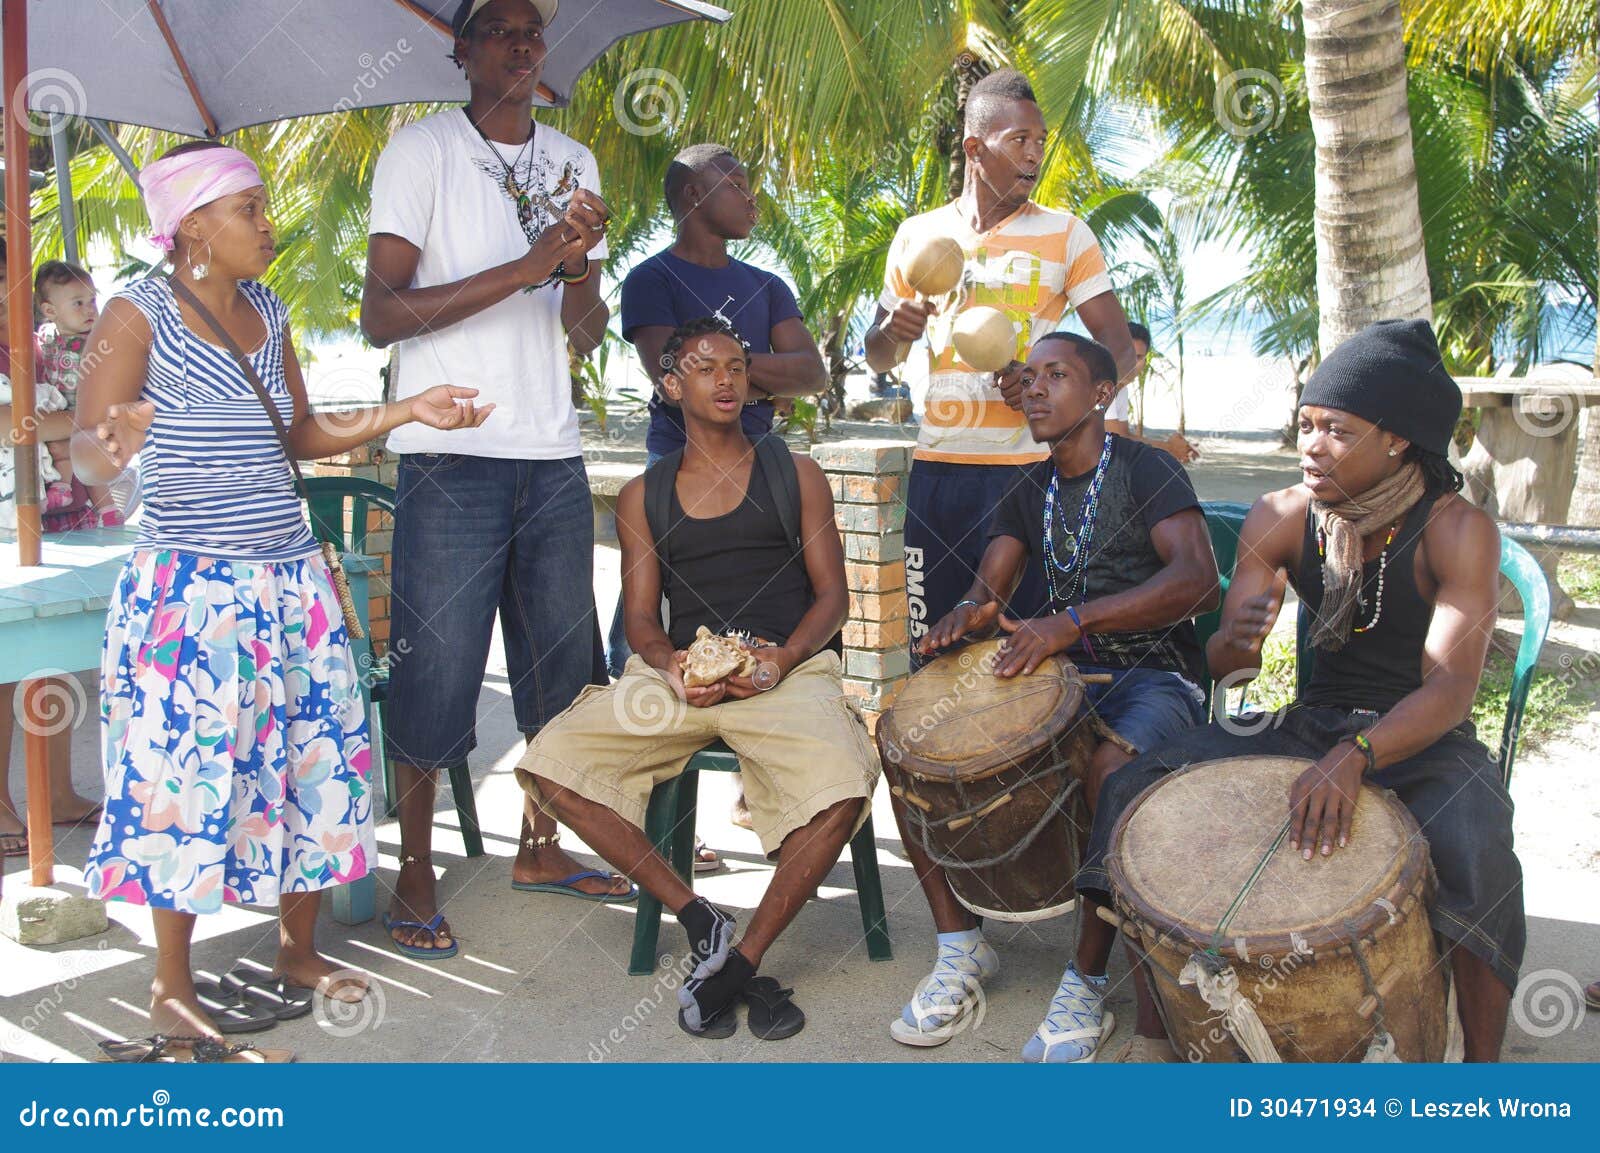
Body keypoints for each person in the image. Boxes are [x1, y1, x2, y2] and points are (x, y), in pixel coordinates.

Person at [70, 141, 491, 1046]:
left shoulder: (268, 306)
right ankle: (171, 984)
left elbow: (300, 431)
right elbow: (83, 453)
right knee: (180, 780)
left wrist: (406, 410)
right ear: (191, 226)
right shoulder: (133, 314)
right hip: (190, 589)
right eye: (248, 209)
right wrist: (119, 434)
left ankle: (296, 950)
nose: (270, 225)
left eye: (264, 207)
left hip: (293, 578)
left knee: (315, 760)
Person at [1074, 319, 1525, 1062]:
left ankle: (1479, 1069)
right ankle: (1158, 1030)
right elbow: (1222, 670)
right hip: (1311, 721)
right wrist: (1237, 640)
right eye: (1307, 424)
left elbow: (1450, 691)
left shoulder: (1456, 529)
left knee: (1478, 848)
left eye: (1338, 430)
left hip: (1421, 735)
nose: (1313, 444)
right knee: (1129, 784)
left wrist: (1358, 753)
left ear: (1399, 440)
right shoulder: (1284, 515)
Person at [519, 317, 878, 1040]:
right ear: (671, 383)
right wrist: (672, 666)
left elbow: (833, 597)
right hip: (685, 676)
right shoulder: (641, 497)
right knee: (549, 766)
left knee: (845, 783)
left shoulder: (793, 472)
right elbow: (645, 621)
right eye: (705, 366)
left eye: (738, 366)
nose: (726, 379)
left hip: (786, 671)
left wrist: (778, 659)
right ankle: (697, 914)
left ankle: (741, 962)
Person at [361, 0, 625, 959]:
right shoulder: (420, 150)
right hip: (450, 450)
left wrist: (581, 262)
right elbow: (381, 314)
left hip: (549, 448)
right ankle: (419, 872)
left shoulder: (576, 160)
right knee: (437, 668)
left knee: (563, 663)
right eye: (499, 27)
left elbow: (583, 330)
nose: (521, 41)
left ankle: (539, 845)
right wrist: (527, 266)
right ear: (460, 50)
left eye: (532, 28)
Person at [895, 331, 1218, 1054]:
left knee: (1108, 767)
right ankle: (960, 944)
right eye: (1029, 376)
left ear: (1102, 391)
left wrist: (1071, 621)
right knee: (906, 743)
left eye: (1057, 374)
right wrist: (968, 615)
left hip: (1153, 675)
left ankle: (1086, 978)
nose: (1034, 388)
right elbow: (991, 587)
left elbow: (1197, 580)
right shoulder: (1027, 486)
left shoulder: (1147, 470)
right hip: (1057, 673)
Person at [864, 69, 1137, 665]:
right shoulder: (920, 236)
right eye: (1020, 141)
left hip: (1032, 474)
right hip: (939, 472)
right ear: (974, 148)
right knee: (935, 644)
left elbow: (1119, 352)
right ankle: (942, 760)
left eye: (1041, 141)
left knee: (1026, 649)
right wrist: (893, 331)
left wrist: (1055, 395)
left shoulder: (1066, 234)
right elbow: (877, 354)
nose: (1036, 154)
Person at [609, 142, 827, 844]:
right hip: (678, 460)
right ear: (693, 197)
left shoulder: (768, 284)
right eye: (733, 182)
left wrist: (726, 365)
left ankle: (754, 785)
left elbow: (812, 372)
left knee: (765, 614)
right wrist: (760, 374)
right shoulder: (652, 277)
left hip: (760, 462)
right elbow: (667, 369)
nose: (751, 195)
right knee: (648, 625)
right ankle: (649, 804)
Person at [0, 242, 104, 856]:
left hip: (46, 504)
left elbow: (60, 415)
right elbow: (18, 423)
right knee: (6, 661)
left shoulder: (33, 342)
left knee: (51, 653)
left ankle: (58, 791)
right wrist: (75, 419)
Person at [36, 260, 122, 526]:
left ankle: (107, 508)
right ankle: (62, 489)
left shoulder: (97, 339)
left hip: (86, 413)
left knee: (89, 461)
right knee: (59, 449)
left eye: (92, 301)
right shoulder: (45, 336)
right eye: (78, 303)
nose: (90, 310)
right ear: (50, 310)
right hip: (57, 411)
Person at [1103, 321, 1199, 462]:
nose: (1131, 363)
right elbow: (1116, 441)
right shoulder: (1103, 385)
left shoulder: (1121, 389)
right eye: (1126, 354)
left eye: (1139, 357)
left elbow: (1124, 435)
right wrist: (1169, 448)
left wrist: (1171, 448)